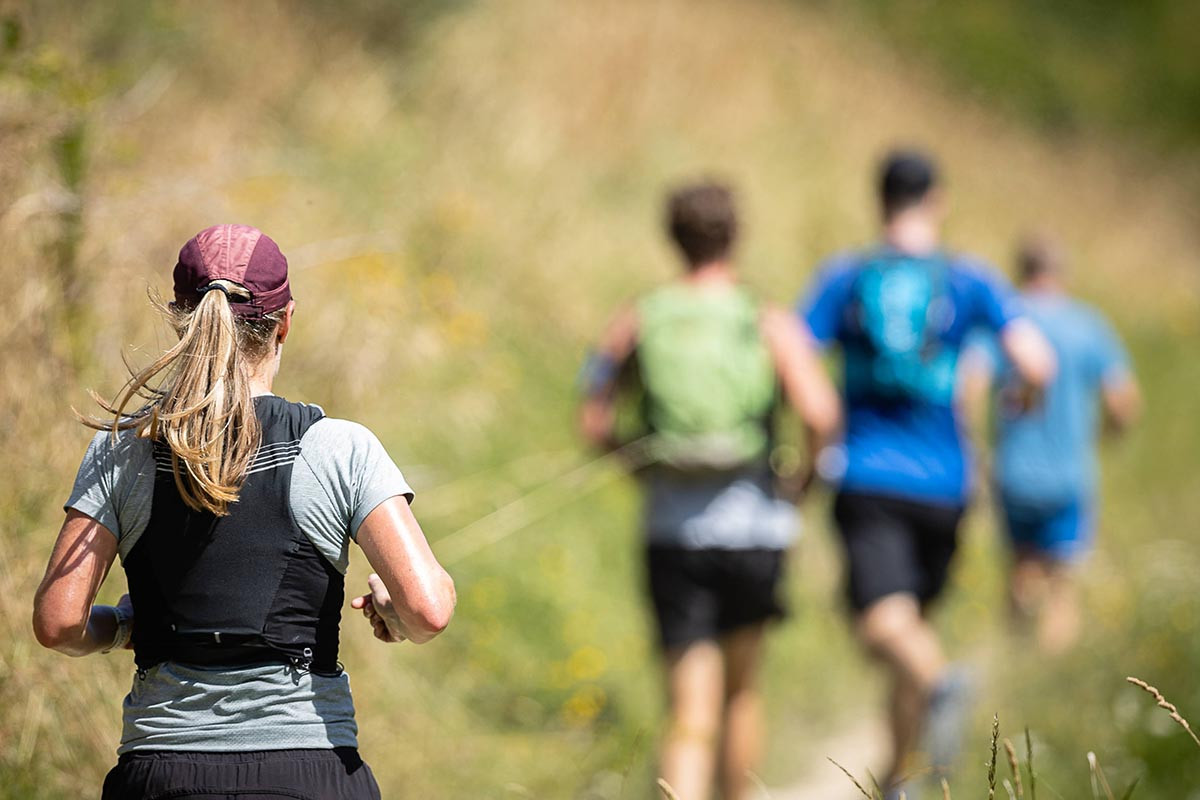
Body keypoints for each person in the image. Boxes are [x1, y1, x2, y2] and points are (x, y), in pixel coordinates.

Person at [32, 224, 456, 800]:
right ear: (285, 322)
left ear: (183, 321)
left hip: (161, 773)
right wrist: (392, 609)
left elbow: (59, 624)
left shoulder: (123, 451)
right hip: (309, 771)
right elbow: (428, 611)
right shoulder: (339, 449)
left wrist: (122, 627)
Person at [798, 151, 1056, 795]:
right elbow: (1036, 363)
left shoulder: (847, 276)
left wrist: (818, 430)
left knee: (883, 628)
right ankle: (899, 779)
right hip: (947, 484)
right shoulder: (969, 279)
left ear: (879, 199)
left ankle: (944, 686)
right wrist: (1020, 405)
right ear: (936, 200)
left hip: (868, 475)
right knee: (909, 631)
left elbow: (797, 356)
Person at [580, 181, 840, 800]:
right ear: (736, 235)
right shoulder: (765, 319)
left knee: (689, 709)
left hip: (674, 532)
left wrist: (638, 468)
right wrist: (802, 481)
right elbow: (821, 413)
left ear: (673, 238)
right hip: (756, 527)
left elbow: (593, 419)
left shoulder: (641, 317)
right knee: (742, 693)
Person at [960, 234, 1140, 654]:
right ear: (1063, 271)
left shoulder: (1008, 322)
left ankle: (1013, 662)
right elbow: (1124, 403)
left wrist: (973, 443)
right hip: (1069, 473)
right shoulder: (1088, 325)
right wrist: (1100, 437)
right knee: (1062, 584)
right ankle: (1048, 668)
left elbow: (970, 381)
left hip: (1015, 470)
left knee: (1020, 572)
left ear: (1020, 269)